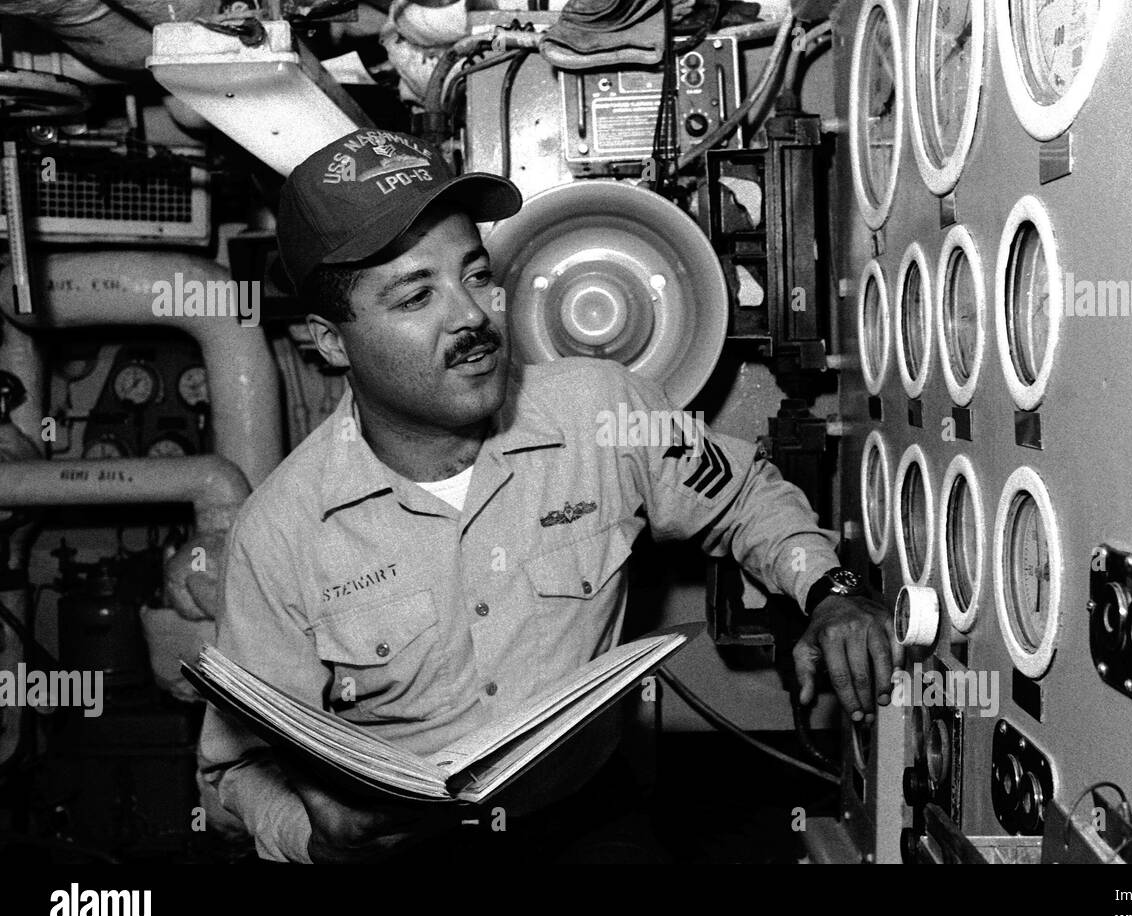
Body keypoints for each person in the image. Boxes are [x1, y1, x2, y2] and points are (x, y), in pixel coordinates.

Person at [193, 127, 895, 863]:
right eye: (416, 295)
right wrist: (310, 835)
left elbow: (744, 495)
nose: (471, 316)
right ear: (331, 341)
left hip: (584, 819)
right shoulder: (281, 530)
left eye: (473, 275)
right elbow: (231, 773)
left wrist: (830, 588)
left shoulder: (600, 409)